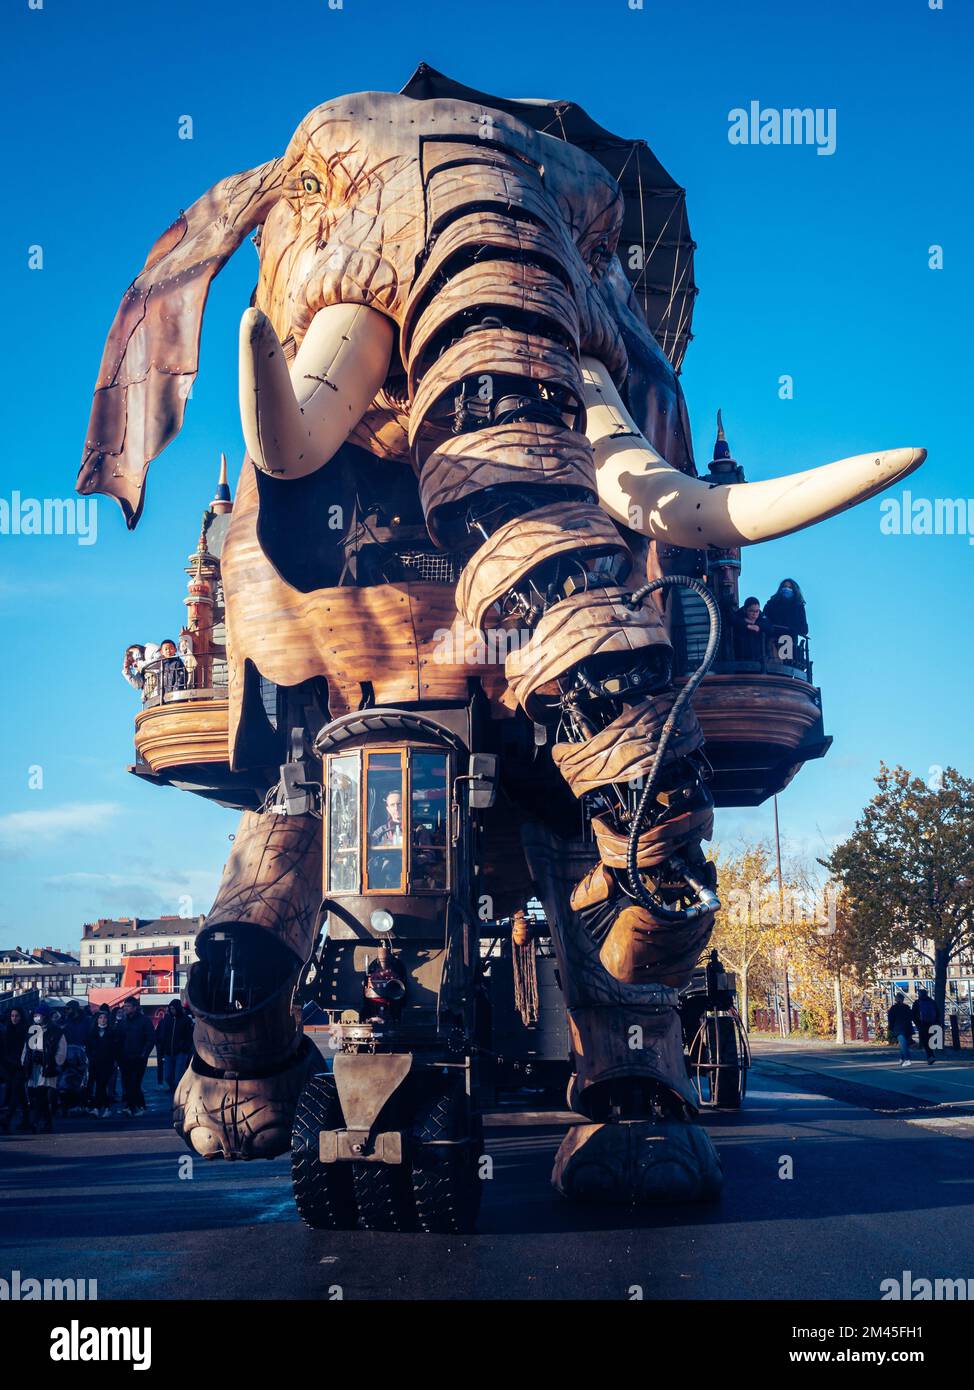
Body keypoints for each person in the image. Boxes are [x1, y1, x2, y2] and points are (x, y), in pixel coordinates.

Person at [22, 1001, 67, 1132]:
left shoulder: (56, 1032)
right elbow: (27, 1049)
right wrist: (25, 1061)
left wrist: (54, 1062)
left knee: (43, 1095)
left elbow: (61, 1049)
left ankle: (36, 1122)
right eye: (35, 1014)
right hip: (34, 1068)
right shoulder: (32, 1030)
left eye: (39, 1015)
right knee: (37, 1096)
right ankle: (46, 1122)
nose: (37, 1017)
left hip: (47, 1067)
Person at [114, 997, 155, 1115]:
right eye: (125, 1006)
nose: (125, 1008)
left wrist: (144, 1054)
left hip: (139, 1058)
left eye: (128, 1006)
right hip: (125, 1058)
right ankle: (136, 1106)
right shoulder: (123, 1021)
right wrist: (118, 1056)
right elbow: (118, 1039)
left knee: (135, 1083)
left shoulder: (145, 1021)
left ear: (135, 1007)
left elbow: (151, 1038)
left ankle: (133, 1106)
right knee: (126, 1083)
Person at [0, 1006, 30, 1132]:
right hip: (9, 1066)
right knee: (20, 1094)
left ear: (21, 1016)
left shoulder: (25, 1030)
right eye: (12, 1016)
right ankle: (26, 1121)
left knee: (15, 1093)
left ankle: (7, 1119)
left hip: (21, 1066)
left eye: (16, 1016)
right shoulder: (7, 1029)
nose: (14, 1018)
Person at [59, 1001, 91, 1115]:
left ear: (74, 1009)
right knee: (68, 1080)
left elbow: (89, 1035)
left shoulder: (86, 1021)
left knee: (82, 1080)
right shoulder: (66, 1021)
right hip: (68, 1053)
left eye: (68, 1009)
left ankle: (81, 1104)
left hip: (82, 1052)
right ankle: (71, 1104)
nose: (66, 1011)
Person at [764, 579, 808, 661]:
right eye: (784, 587)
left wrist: (792, 629)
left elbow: (804, 629)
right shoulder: (771, 604)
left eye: (789, 587)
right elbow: (764, 619)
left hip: (788, 640)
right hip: (772, 638)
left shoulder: (798, 607)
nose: (786, 589)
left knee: (785, 663)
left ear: (794, 590)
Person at [86, 1007, 118, 1117]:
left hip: (108, 1063)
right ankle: (103, 1107)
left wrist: (115, 1061)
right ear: (97, 1020)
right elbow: (88, 1048)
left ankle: (98, 1107)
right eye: (100, 1018)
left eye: (105, 1018)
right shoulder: (92, 1033)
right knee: (99, 1085)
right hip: (95, 1063)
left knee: (102, 1085)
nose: (103, 1020)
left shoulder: (112, 1034)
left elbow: (115, 1049)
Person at [155, 1000, 193, 1093]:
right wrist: (162, 1046)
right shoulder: (167, 1020)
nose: (172, 1010)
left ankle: (178, 1093)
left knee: (178, 1077)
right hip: (168, 1052)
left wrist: (184, 1047)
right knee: (167, 1076)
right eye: (170, 1009)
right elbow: (162, 1034)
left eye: (173, 1008)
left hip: (180, 1052)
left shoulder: (186, 1020)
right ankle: (174, 1090)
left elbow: (189, 1036)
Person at [731, 596, 773, 662]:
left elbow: (770, 628)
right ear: (745, 610)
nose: (754, 614)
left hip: (759, 658)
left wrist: (758, 626)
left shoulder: (761, 616)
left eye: (757, 611)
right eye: (751, 611)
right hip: (740, 657)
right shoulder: (738, 615)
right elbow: (732, 620)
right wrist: (746, 625)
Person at [911, 988, 939, 1065]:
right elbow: (937, 1013)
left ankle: (930, 1056)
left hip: (922, 1024)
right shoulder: (932, 1002)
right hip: (932, 1024)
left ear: (919, 995)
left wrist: (917, 1024)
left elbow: (913, 1015)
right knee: (930, 1039)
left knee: (925, 1041)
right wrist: (937, 1022)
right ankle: (931, 1055)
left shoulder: (917, 1003)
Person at [887, 992, 914, 1066]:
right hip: (907, 1028)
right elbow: (911, 1016)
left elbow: (891, 1019)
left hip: (898, 1028)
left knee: (903, 1044)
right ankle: (902, 1058)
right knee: (903, 1043)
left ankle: (907, 1059)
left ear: (897, 999)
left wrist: (890, 1028)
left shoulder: (894, 1008)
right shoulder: (906, 1007)